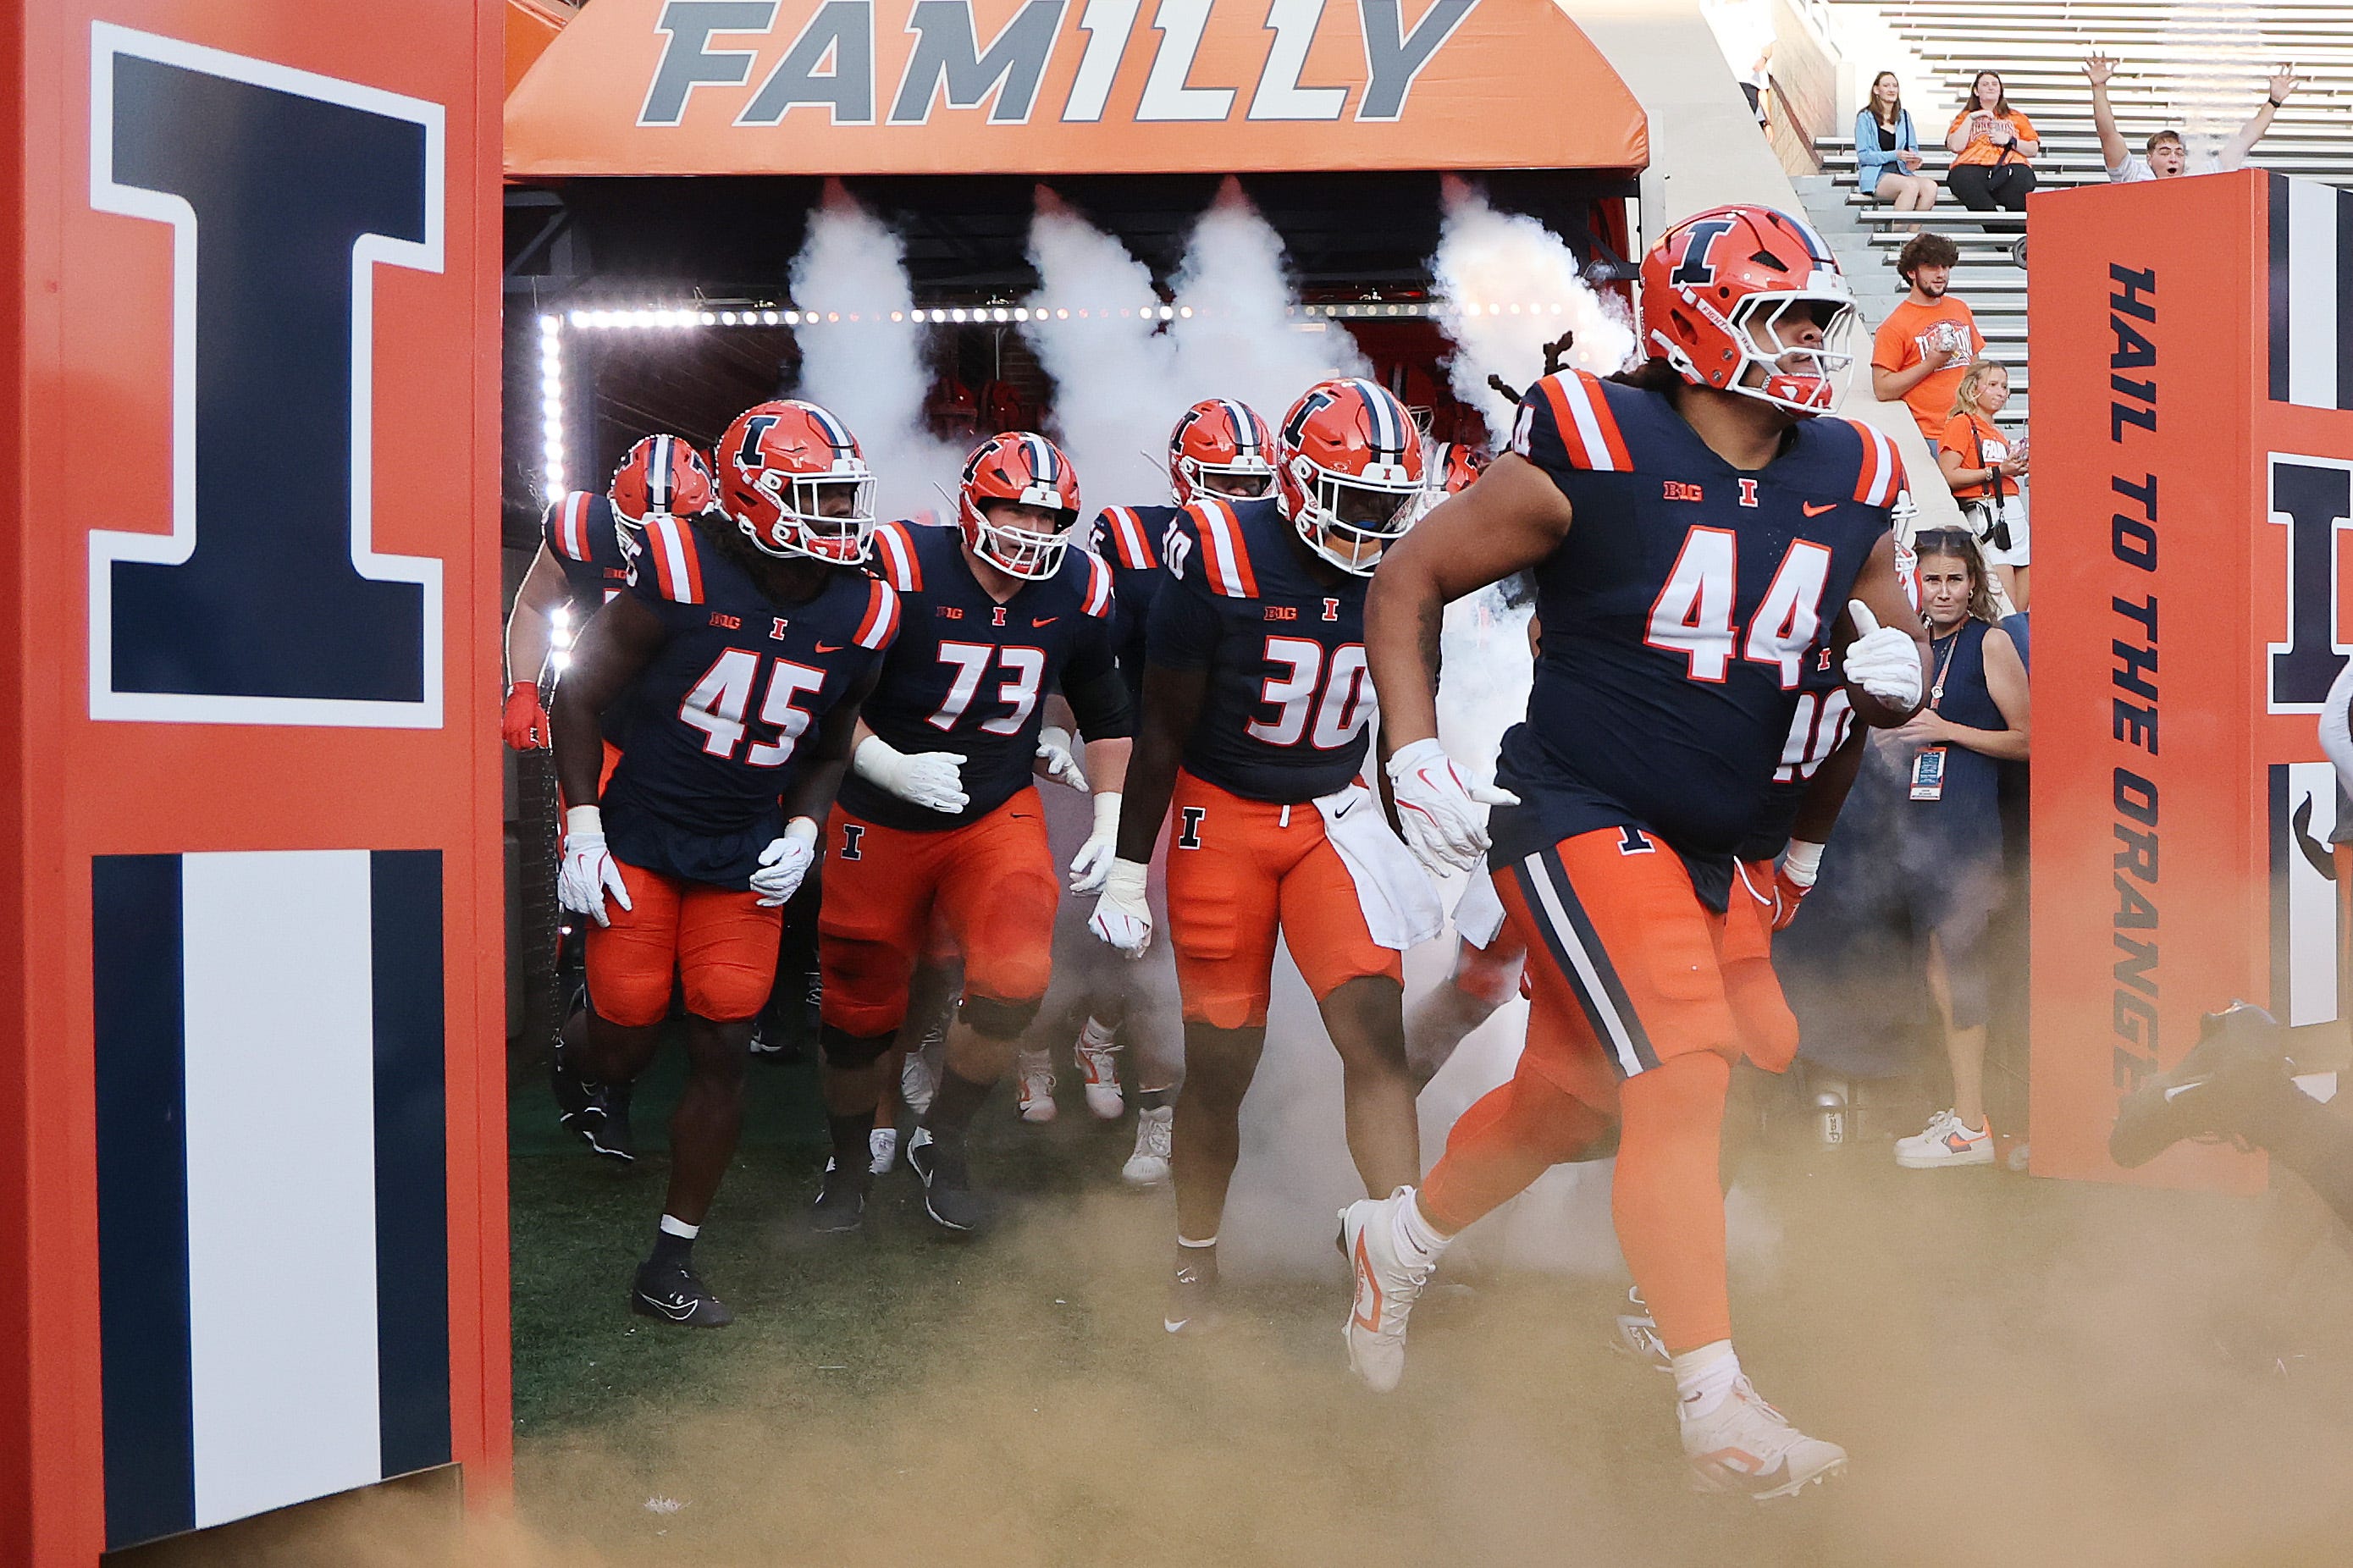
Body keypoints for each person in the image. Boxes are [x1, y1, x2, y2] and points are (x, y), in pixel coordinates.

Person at [1345, 204, 1928, 1499]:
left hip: (1711, 841)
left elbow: (1885, 662)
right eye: (1773, 314)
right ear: (1687, 321)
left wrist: (1898, 674)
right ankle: (1711, 1402)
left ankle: (1398, 1241)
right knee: (1678, 1067)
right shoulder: (1591, 438)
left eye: (1812, 318)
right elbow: (1405, 579)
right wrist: (1409, 749)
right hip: (1575, 806)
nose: (1802, 346)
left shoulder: (1849, 468)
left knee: (1574, 1102)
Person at [1086, 378, 1439, 1337]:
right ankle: (1196, 1252)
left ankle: (1396, 1253)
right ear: (1293, 483)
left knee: (1375, 1031)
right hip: (1223, 815)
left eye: (1386, 506)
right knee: (1223, 1058)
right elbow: (1160, 727)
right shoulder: (1220, 547)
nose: (1371, 524)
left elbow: (1403, 717)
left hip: (1335, 811)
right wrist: (1128, 867)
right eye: (1352, 498)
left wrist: (1411, 831)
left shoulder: (1413, 561)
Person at [550, 400, 897, 1327]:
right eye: (815, 496)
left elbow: (826, 741)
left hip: (744, 846)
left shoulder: (862, 604)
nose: (837, 517)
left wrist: (806, 827)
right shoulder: (674, 565)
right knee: (626, 1031)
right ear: (752, 497)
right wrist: (584, 823)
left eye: (842, 496)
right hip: (646, 831)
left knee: (724, 1040)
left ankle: (670, 1257)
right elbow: (577, 697)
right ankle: (572, 1052)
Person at [815, 432, 1133, 1235]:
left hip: (992, 805)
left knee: (1015, 978)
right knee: (859, 1003)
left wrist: (1108, 812)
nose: (1030, 531)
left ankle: (942, 1141)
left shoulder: (1081, 585)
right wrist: (884, 762)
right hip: (879, 814)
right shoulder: (897, 562)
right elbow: (822, 688)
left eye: (1047, 515)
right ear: (972, 506)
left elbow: (1104, 706)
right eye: (1014, 510)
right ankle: (848, 1159)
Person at [1027, 399, 1283, 1183]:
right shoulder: (1131, 538)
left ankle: (1152, 1105)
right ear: (1182, 478)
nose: (1235, 498)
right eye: (1219, 481)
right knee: (1102, 934)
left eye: (1249, 482)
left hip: (1221, 773)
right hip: (1133, 767)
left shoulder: (1285, 545)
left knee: (1167, 954)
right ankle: (1071, 1042)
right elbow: (1091, 664)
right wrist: (1056, 730)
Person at [520, 436, 717, 1162]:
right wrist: (519, 685)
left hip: (696, 745)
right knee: (597, 895)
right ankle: (605, 1082)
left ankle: (725, 1042)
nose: (659, 545)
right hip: (601, 731)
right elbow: (536, 602)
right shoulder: (580, 525)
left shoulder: (737, 548)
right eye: (643, 530)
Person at [1885, 529, 2029, 1169]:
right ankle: (1967, 1114)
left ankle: (1972, 1126)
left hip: (1968, 831)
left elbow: (2030, 739)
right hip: (1919, 831)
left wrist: (1948, 730)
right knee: (1937, 977)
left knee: (1960, 977)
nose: (1941, 592)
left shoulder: (1989, 641)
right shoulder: (1912, 645)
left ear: (1973, 582)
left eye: (1953, 579)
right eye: (1931, 579)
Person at [2087, 54, 2302, 182]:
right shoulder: (2132, 175)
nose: (2173, 158)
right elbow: (2108, 134)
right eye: (2164, 152)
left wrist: (2274, 102)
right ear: (2149, 159)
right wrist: (2099, 87)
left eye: (2179, 153)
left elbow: (2245, 140)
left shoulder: (2199, 176)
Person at [1935, 362, 2030, 610]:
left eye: (2005, 386)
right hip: (1988, 515)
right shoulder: (1962, 423)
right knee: (2006, 608)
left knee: (2021, 610)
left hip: (2012, 514)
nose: (2001, 392)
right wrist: (1996, 471)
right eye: (1993, 385)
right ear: (1973, 388)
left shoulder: (1996, 432)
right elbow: (1949, 475)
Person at [1871, 232, 1981, 443]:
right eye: (1932, 267)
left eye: (1945, 267)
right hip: (1931, 436)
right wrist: (1931, 363)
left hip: (1971, 428)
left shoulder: (1960, 308)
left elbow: (1975, 365)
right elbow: (1882, 389)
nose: (1941, 274)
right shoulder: (1894, 325)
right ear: (1912, 272)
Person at [1944, 70, 2039, 212]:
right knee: (1962, 179)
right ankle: (1999, 230)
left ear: (2000, 90)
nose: (1991, 87)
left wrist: (2010, 140)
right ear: (1976, 91)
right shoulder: (1964, 117)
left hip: (2011, 164)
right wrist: (1971, 118)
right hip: (1972, 165)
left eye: (1995, 84)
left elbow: (2033, 149)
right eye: (1985, 84)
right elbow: (1955, 146)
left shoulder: (2016, 116)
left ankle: (2013, 228)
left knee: (2022, 180)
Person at [1856, 71, 1936, 221]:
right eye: (1886, 86)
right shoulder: (1865, 117)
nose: (1892, 89)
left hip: (1902, 172)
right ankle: (1896, 237)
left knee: (1930, 187)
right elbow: (1864, 156)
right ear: (1876, 90)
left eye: (1895, 86)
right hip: (1877, 175)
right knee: (1910, 186)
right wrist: (1894, 154)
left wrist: (1913, 160)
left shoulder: (1904, 116)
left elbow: (1912, 147)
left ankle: (1912, 237)